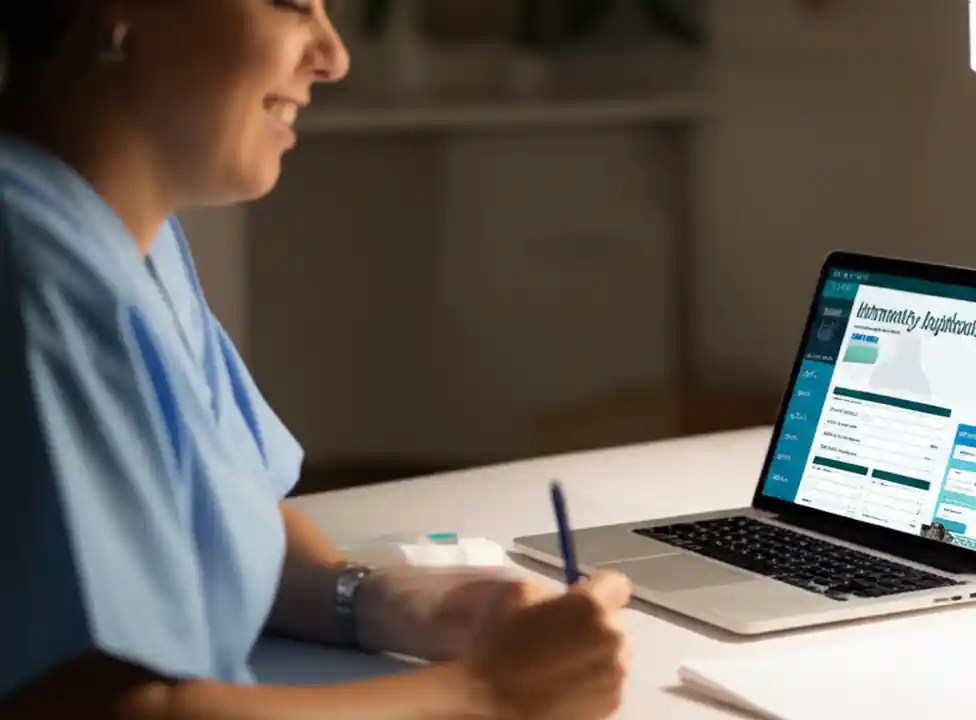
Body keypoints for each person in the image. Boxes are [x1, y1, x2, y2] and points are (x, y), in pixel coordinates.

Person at [0, 2, 632, 718]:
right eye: (293, 4)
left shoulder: (130, 242)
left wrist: (386, 602)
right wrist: (488, 691)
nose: (332, 56)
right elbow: (95, 706)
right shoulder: (30, 268)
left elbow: (222, 517)